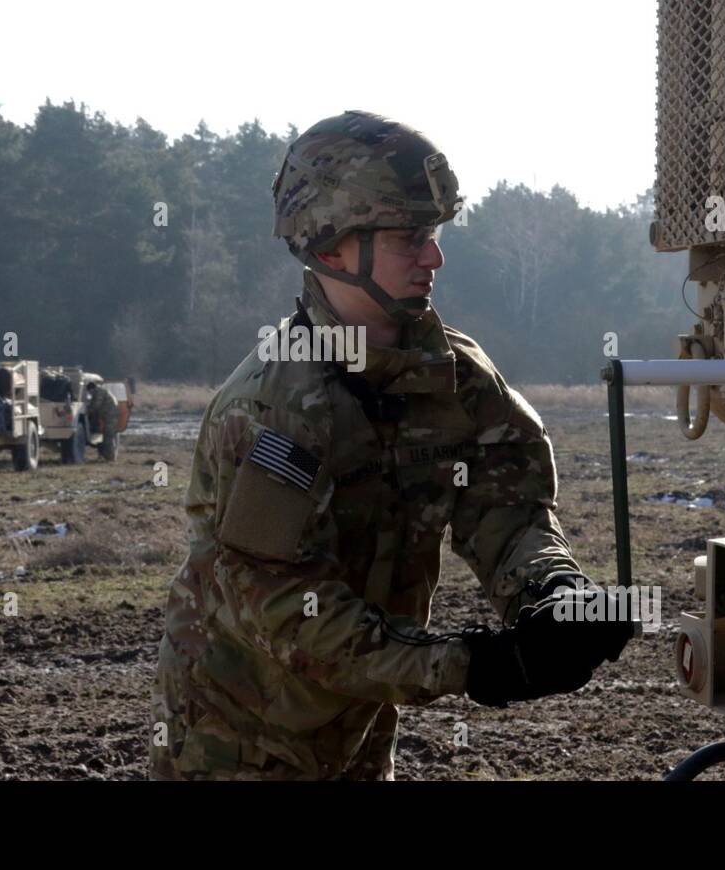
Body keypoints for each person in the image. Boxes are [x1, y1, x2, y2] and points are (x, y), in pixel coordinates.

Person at [149, 111, 635, 780]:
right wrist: (471, 665)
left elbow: (507, 512)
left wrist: (552, 593)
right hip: (237, 741)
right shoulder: (275, 408)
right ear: (328, 248)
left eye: (433, 234)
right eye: (410, 237)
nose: (433, 256)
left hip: (360, 729)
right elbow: (287, 609)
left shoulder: (457, 379)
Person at [84, 380, 121, 461]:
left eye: (89, 392)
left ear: (91, 389)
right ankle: (107, 456)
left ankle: (110, 458)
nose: (90, 394)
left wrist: (86, 410)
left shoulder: (99, 392)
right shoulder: (100, 391)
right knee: (106, 436)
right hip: (108, 415)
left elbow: (96, 405)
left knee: (108, 437)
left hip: (110, 415)